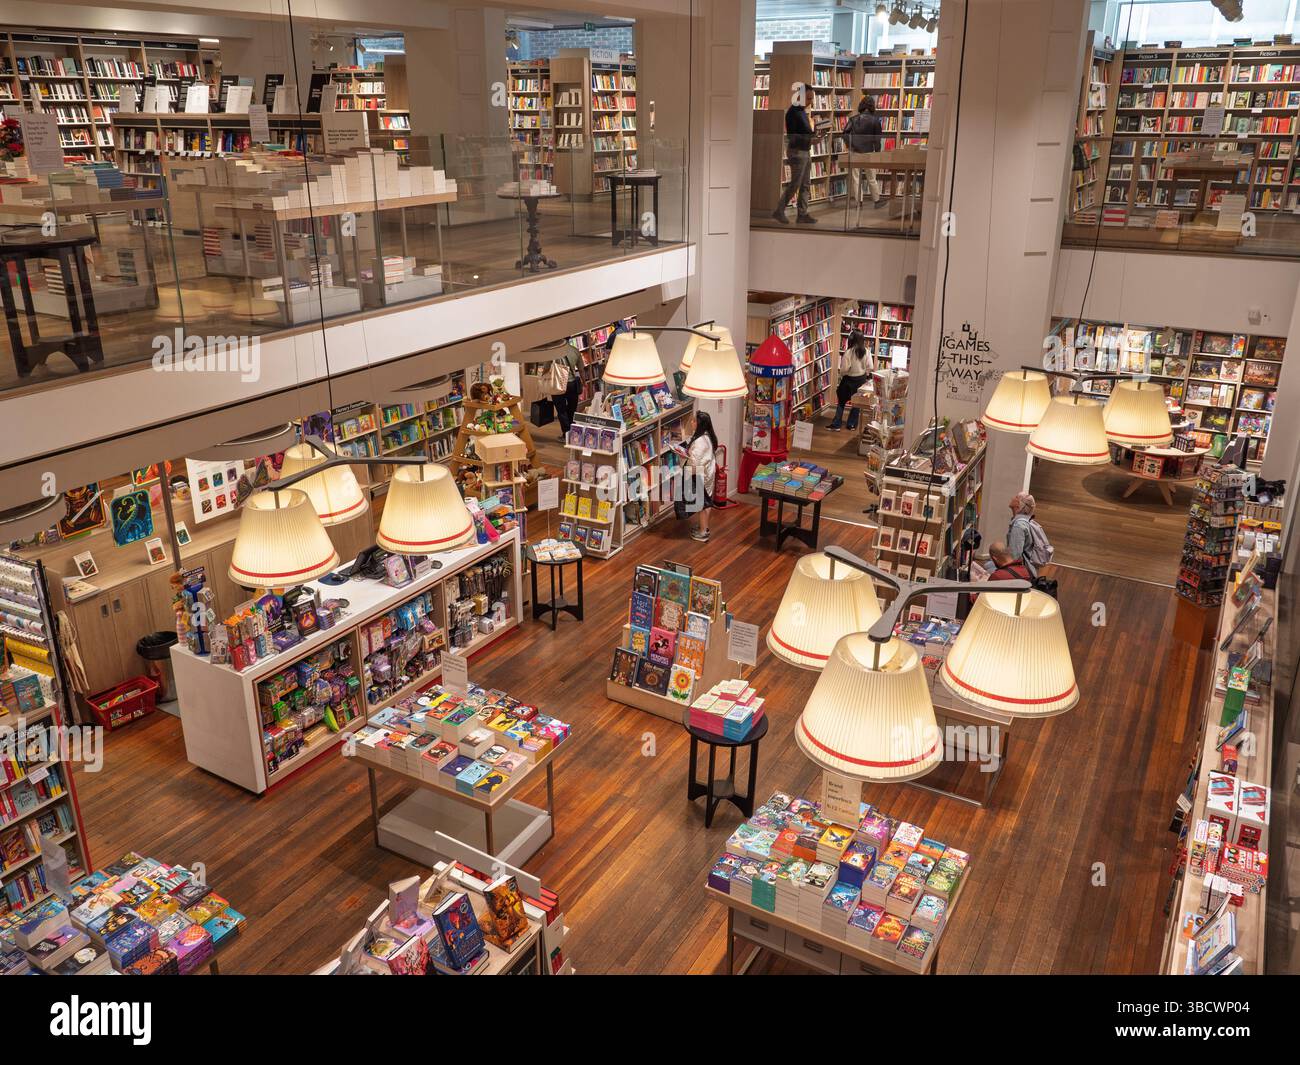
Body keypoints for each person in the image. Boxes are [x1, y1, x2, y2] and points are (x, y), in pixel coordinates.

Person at [772, 84, 817, 225]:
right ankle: (779, 210)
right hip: (797, 151)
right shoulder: (793, 113)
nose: (810, 101)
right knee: (795, 184)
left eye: (811, 98)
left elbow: (804, 133)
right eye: (808, 98)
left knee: (805, 184)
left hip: (805, 150)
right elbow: (793, 136)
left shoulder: (802, 111)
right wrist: (810, 138)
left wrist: (814, 136)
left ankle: (802, 214)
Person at [828, 331, 874, 431]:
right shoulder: (867, 351)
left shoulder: (849, 352)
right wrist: (864, 373)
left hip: (849, 379)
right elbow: (870, 366)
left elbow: (844, 369)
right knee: (857, 402)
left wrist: (843, 373)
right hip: (861, 379)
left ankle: (836, 424)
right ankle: (851, 424)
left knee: (841, 400)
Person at [685, 411, 719, 542]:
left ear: (699, 425)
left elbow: (695, 463)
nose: (692, 422)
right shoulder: (707, 436)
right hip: (708, 473)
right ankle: (703, 526)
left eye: (694, 421)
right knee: (707, 501)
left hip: (701, 475)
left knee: (701, 504)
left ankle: (703, 532)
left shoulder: (699, 442)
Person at [844, 96, 884, 208]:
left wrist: (850, 145)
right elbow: (877, 139)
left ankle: (859, 202)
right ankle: (876, 200)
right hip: (869, 152)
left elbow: (845, 133)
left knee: (856, 178)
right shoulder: (875, 121)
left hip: (855, 151)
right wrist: (877, 152)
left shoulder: (853, 119)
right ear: (872, 106)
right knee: (872, 177)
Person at [1007, 492, 1055, 575]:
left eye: (1015, 497)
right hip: (1031, 569)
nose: (1012, 498)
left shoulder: (1018, 526)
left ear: (1018, 504)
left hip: (1023, 572)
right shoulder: (1027, 520)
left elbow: (1015, 556)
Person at [550, 341, 583, 433]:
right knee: (572, 408)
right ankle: (572, 433)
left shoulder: (552, 352)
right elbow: (581, 369)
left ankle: (566, 433)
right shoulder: (575, 350)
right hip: (572, 384)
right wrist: (584, 381)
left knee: (561, 410)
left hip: (558, 384)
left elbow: (546, 368)